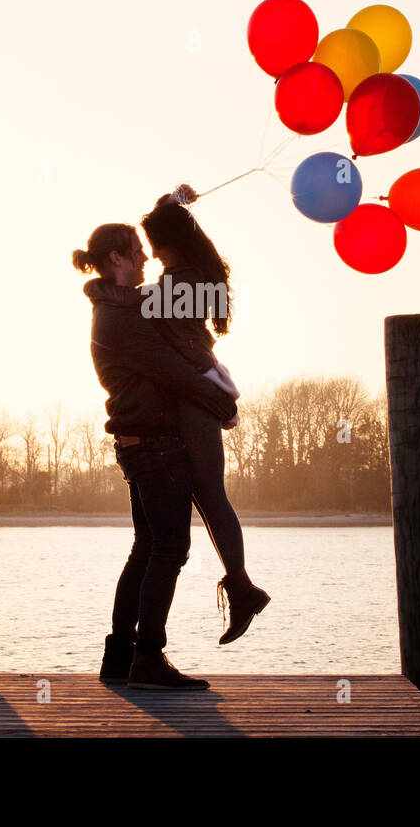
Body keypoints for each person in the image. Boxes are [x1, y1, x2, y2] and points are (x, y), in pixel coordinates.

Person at [88, 185, 271, 646]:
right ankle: (240, 588)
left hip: (193, 396)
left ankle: (242, 587)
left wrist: (99, 289)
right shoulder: (188, 274)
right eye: (138, 252)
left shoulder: (177, 285)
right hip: (190, 395)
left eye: (150, 247)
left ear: (167, 244)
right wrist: (171, 203)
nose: (147, 256)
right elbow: (140, 298)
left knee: (208, 496)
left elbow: (135, 303)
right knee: (194, 509)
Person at [73, 222, 237, 690]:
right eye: (137, 252)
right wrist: (221, 401)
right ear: (116, 259)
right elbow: (175, 372)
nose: (146, 259)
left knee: (146, 548)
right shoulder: (118, 319)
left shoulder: (122, 307)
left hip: (141, 445)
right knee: (170, 547)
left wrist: (175, 210)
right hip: (155, 447)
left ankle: (119, 656)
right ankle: (147, 659)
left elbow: (177, 298)